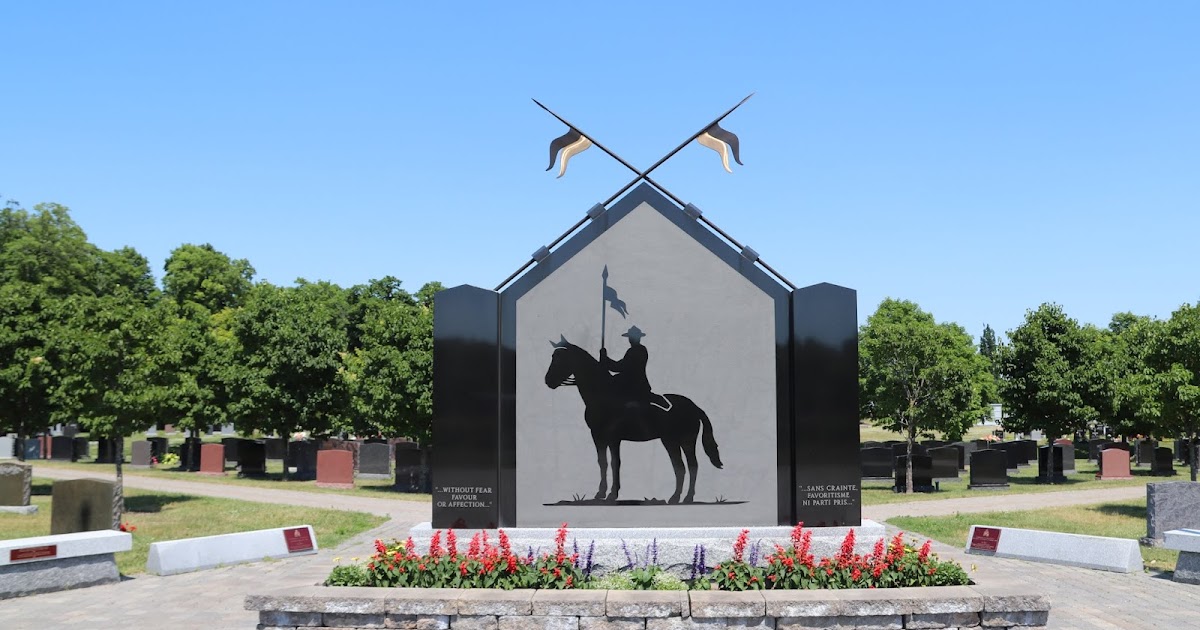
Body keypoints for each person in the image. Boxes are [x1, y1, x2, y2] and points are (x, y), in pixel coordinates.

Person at [600, 325, 654, 420]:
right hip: (631, 383)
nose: (630, 339)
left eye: (631, 337)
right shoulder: (635, 350)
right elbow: (620, 365)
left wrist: (605, 359)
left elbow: (620, 367)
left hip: (635, 385)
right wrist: (605, 359)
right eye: (630, 337)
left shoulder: (637, 350)